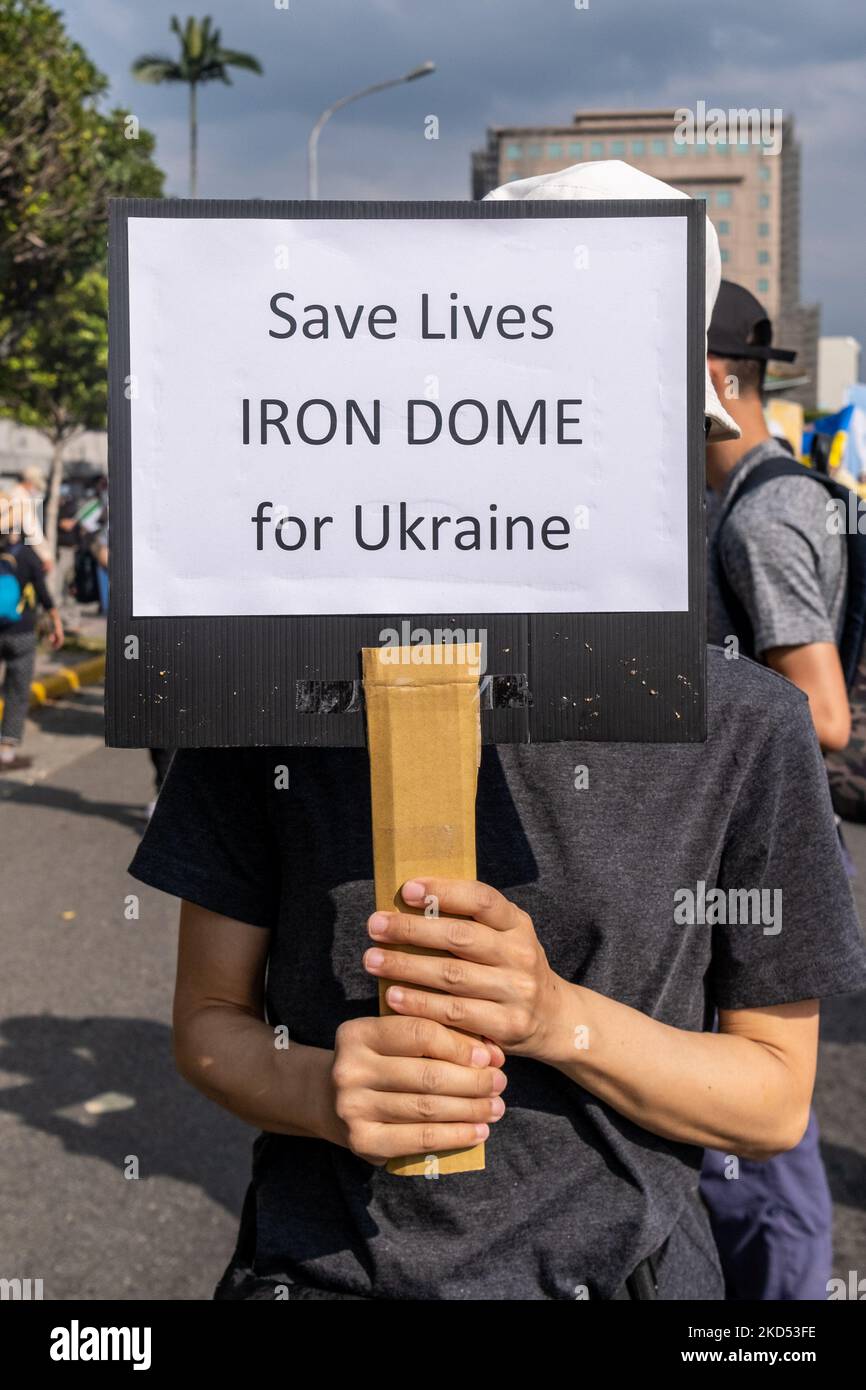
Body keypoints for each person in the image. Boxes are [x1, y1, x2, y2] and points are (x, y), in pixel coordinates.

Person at [127, 163, 866, 1301]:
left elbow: (770, 1095)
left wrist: (558, 1017)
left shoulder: (743, 726)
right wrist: (318, 1085)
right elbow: (210, 1020)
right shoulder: (276, 683)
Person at [702, 280, 850, 1300]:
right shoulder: (770, 493)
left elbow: (819, 707)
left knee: (760, 1135)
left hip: (764, 849)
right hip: (762, 840)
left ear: (715, 381)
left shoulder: (759, 515)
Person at [0, 494, 64, 772]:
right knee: (16, 691)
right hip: (22, 632)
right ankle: (7, 749)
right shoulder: (28, 555)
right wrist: (56, 623)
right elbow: (43, 593)